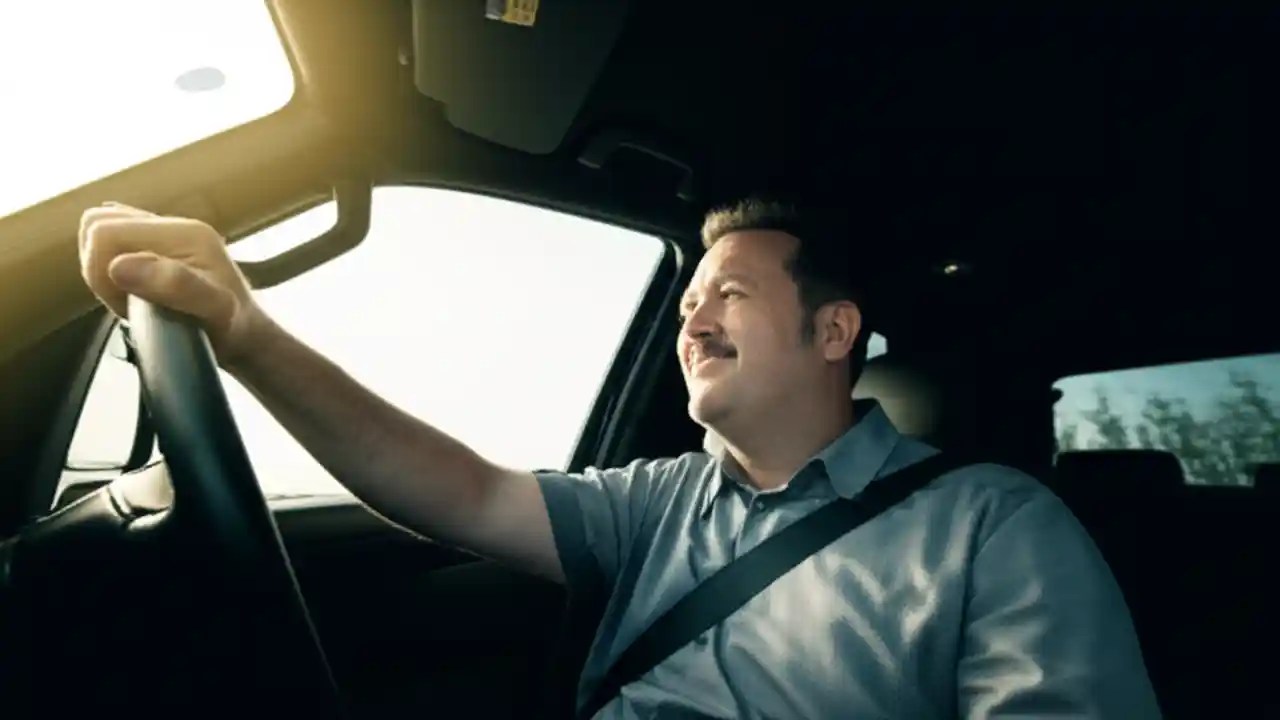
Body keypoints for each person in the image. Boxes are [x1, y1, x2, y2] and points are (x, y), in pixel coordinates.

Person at [78, 197, 1162, 719]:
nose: (694, 323)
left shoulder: (997, 527)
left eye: (727, 296)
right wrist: (248, 334)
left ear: (833, 335)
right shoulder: (657, 502)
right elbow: (457, 490)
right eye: (688, 303)